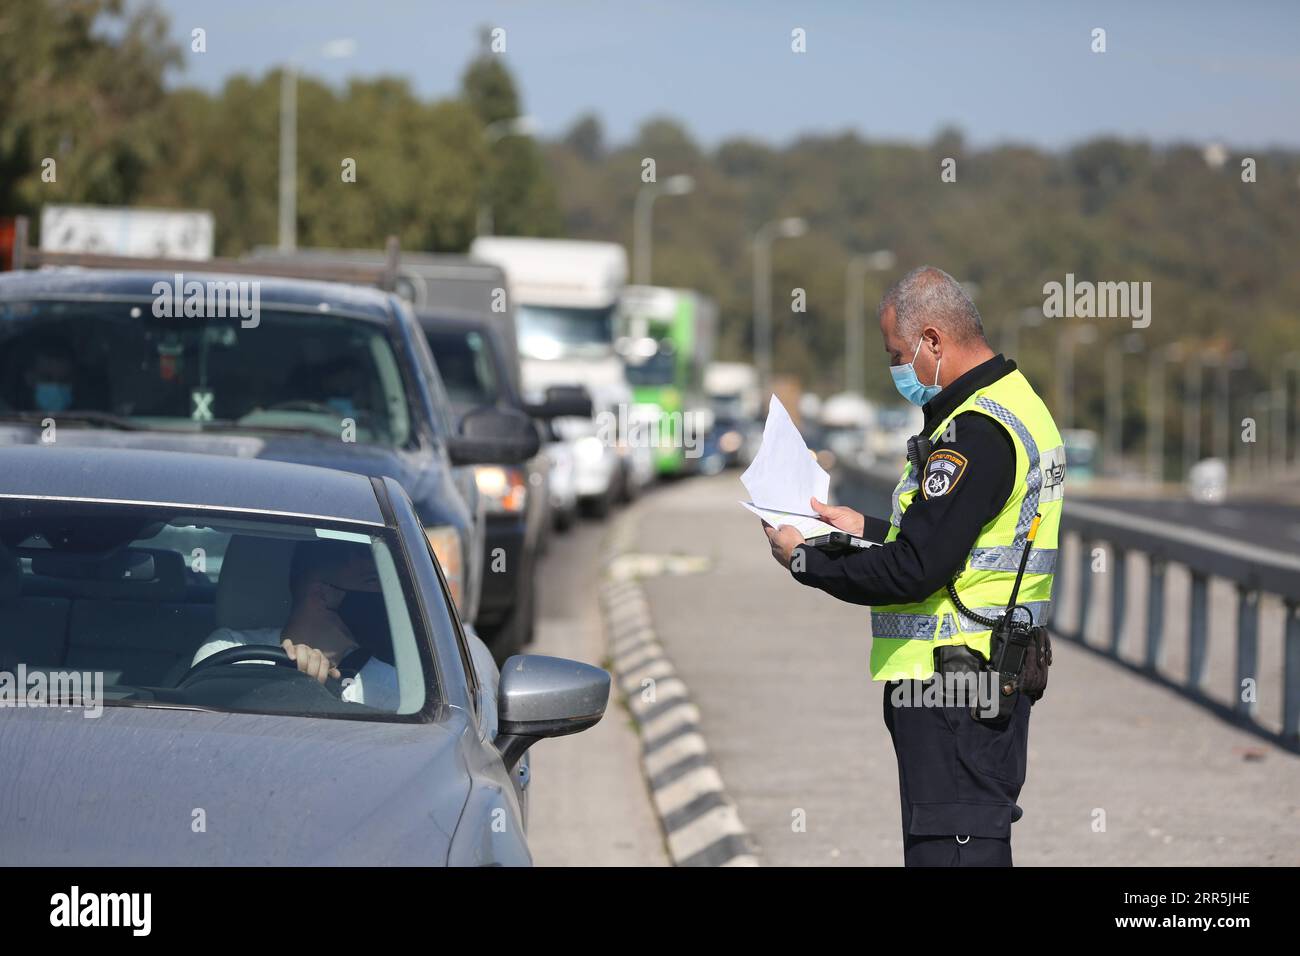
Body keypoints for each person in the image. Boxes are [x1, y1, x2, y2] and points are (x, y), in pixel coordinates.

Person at [763, 266, 1066, 866]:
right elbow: (949, 543)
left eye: (896, 354)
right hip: (982, 683)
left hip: (956, 686)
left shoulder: (975, 433)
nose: (896, 369)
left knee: (952, 853)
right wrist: (863, 529)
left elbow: (916, 570)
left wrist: (804, 560)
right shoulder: (1016, 404)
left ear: (932, 341)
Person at [191, 539, 401, 710]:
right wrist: (282, 683)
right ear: (322, 595)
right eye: (372, 582)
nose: (384, 595)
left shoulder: (393, 687)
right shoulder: (229, 652)